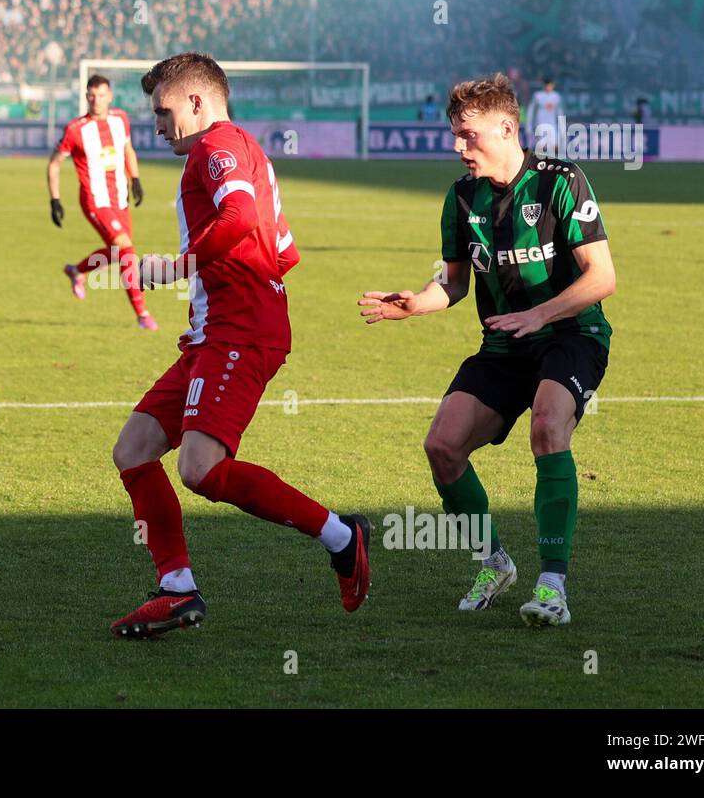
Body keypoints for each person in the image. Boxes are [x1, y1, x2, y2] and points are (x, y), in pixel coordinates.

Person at [109, 52, 371, 638]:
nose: (157, 126)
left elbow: (239, 215)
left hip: (238, 329)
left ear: (198, 102)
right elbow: (284, 251)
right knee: (133, 449)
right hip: (218, 329)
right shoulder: (241, 147)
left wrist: (180, 266)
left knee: (199, 468)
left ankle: (341, 536)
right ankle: (177, 589)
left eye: (164, 110)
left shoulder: (215, 147)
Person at [360, 73, 615, 627]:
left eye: (468, 135)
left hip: (572, 335)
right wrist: (415, 302)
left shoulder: (560, 181)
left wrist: (541, 313)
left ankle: (552, 586)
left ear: (506, 127)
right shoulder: (461, 197)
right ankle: (493, 561)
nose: (458, 147)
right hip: (504, 344)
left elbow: (602, 278)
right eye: (455, 135)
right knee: (442, 447)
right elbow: (453, 283)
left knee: (548, 426)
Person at [47, 74, 156, 330]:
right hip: (95, 200)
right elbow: (54, 164)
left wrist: (136, 178)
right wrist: (55, 199)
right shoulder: (75, 130)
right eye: (92, 95)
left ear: (110, 96)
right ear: (86, 96)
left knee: (119, 252)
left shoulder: (121, 119)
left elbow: (128, 150)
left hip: (120, 197)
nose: (96, 100)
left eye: (102, 95)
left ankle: (76, 270)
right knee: (127, 250)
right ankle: (142, 314)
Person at [526, 78, 562, 157]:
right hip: (540, 124)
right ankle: (539, 165)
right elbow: (531, 110)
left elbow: (559, 112)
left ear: (553, 85)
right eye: (547, 85)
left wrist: (561, 125)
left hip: (552, 124)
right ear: (543, 85)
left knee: (556, 146)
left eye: (550, 85)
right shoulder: (538, 95)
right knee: (541, 147)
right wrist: (529, 125)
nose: (548, 87)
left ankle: (555, 163)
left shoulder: (556, 96)